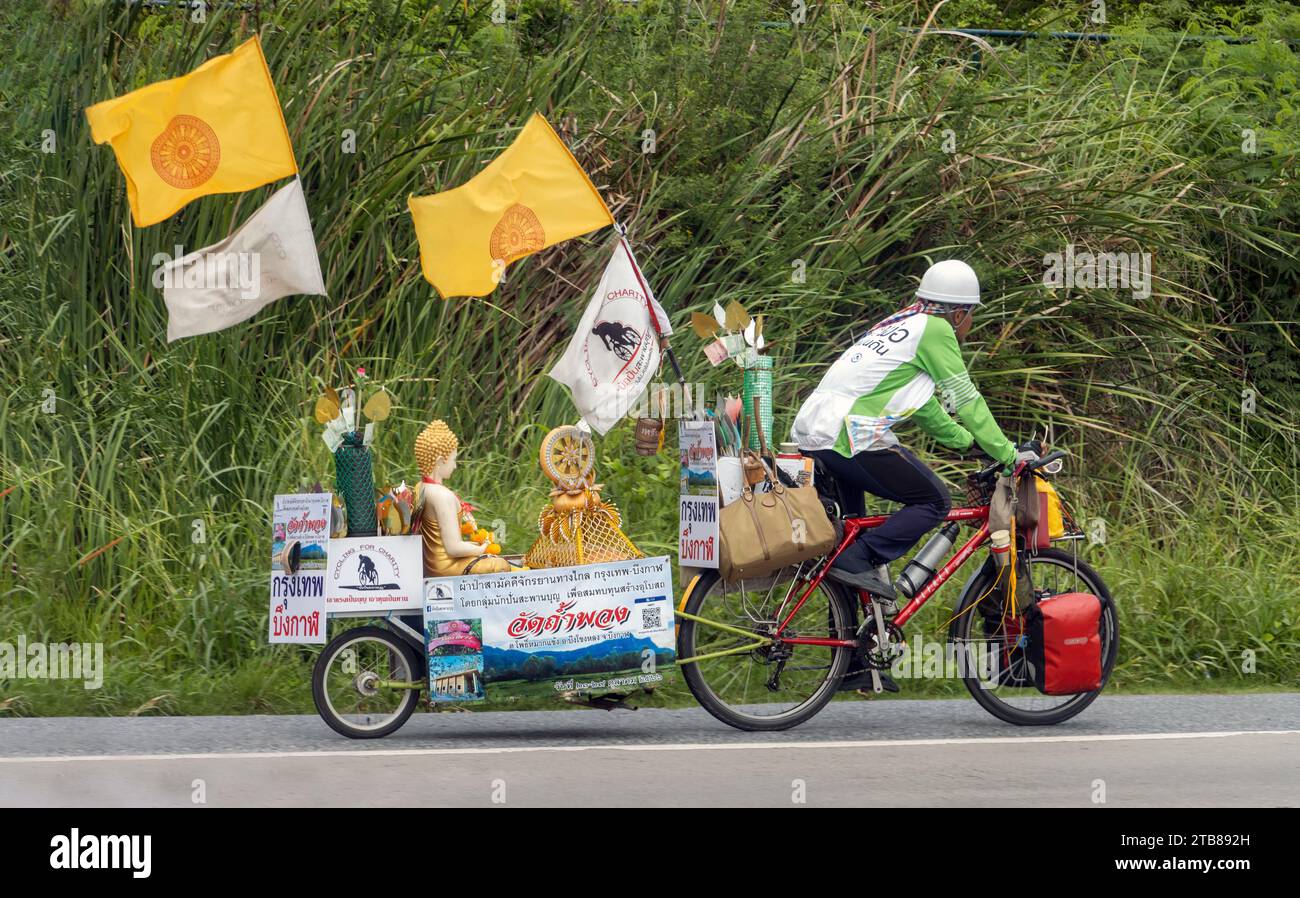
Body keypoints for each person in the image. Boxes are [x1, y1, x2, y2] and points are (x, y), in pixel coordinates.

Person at [792, 259, 1021, 602]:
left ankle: (853, 649)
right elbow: (966, 399)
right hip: (850, 436)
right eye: (971, 315)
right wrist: (1008, 455)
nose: (970, 324)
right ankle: (861, 558)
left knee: (848, 540)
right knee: (933, 501)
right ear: (959, 314)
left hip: (813, 433)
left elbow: (923, 405)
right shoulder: (936, 330)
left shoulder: (900, 322)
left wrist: (965, 442)